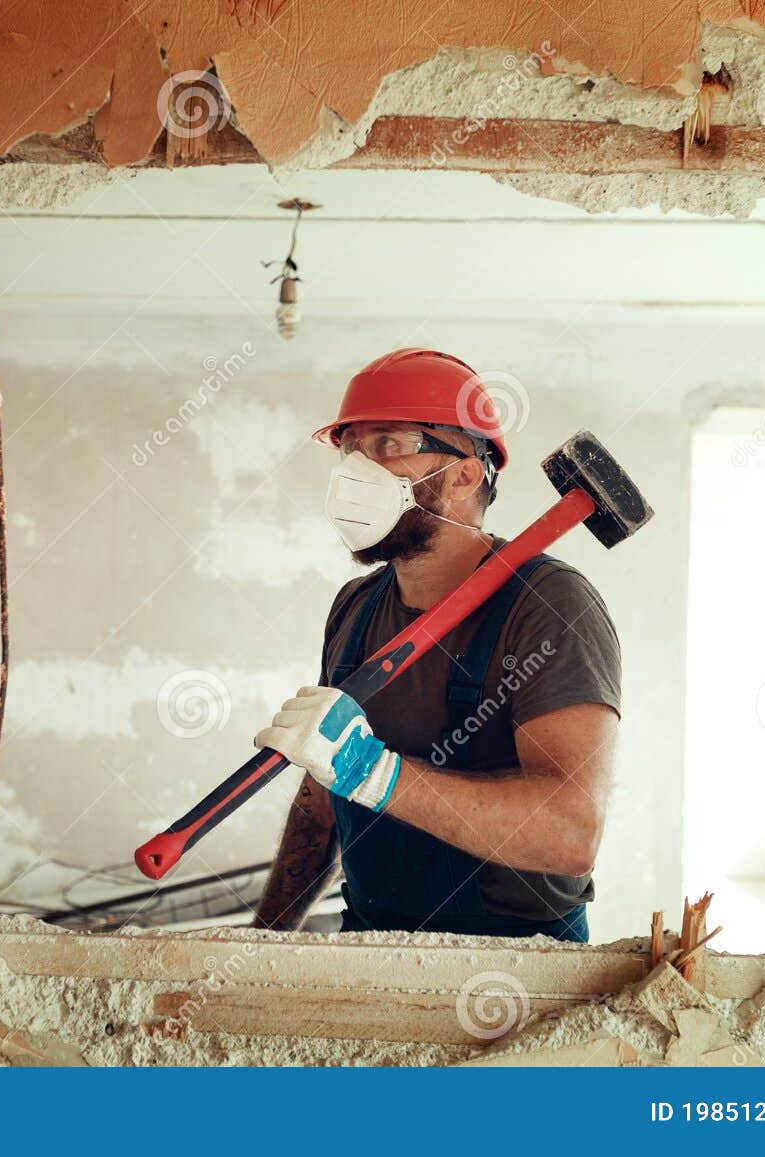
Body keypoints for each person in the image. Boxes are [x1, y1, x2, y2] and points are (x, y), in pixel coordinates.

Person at [251, 348, 622, 942]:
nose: (358, 469)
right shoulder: (356, 606)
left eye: (389, 444)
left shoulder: (550, 606)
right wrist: (264, 942)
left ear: (464, 475)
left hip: (514, 961)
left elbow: (570, 833)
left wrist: (376, 775)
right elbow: (320, 802)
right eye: (351, 448)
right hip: (368, 938)